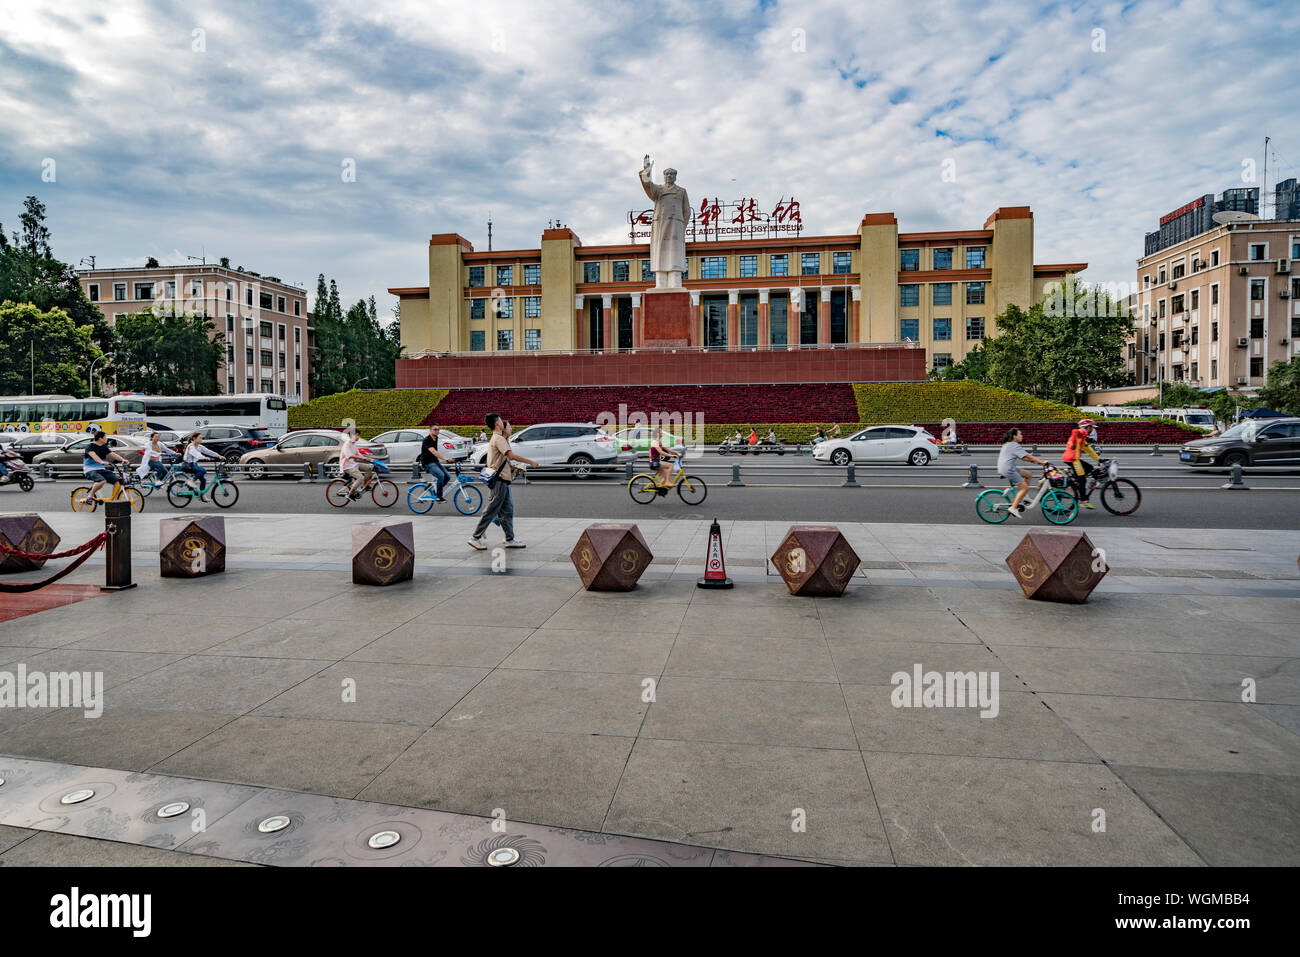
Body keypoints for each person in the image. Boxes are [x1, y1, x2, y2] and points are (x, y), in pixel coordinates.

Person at [469, 413, 538, 550]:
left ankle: (509, 539)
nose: (504, 423)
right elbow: (511, 456)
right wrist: (530, 462)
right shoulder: (499, 439)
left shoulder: (499, 439)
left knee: (507, 510)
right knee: (492, 510)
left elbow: (504, 460)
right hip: (499, 481)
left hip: (503, 481)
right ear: (497, 424)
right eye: (501, 420)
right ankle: (475, 537)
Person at [997, 428, 1050, 518]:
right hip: (1008, 469)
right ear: (1014, 436)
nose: (1022, 436)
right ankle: (1013, 508)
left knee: (1028, 474)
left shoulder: (1009, 444)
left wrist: (1035, 462)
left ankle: (1024, 497)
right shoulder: (1014, 445)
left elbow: (1023, 458)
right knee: (1024, 488)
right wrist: (1041, 462)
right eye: (1020, 434)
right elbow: (1028, 455)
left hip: (1008, 467)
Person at [1062, 418, 1102, 510]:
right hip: (1072, 459)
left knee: (1090, 467)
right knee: (1082, 479)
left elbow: (1088, 450)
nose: (1092, 430)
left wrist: (1099, 459)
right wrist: (1079, 433)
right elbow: (1075, 431)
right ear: (1086, 427)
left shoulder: (1082, 437)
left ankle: (1076, 481)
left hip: (1074, 458)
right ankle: (1084, 501)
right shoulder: (1080, 433)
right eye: (1091, 427)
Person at [83, 431, 130, 501]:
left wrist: (123, 459)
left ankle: (113, 500)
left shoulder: (104, 447)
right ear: (100, 438)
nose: (107, 439)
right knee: (102, 481)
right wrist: (101, 461)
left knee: (117, 482)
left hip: (101, 469)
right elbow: (94, 455)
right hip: (90, 470)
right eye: (105, 437)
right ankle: (90, 495)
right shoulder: (90, 446)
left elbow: (113, 454)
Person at [339, 427, 382, 499]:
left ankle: (365, 485)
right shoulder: (347, 445)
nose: (358, 437)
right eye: (357, 435)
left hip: (353, 464)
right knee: (360, 478)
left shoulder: (353, 444)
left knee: (369, 468)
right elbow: (349, 456)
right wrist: (363, 458)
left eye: (358, 435)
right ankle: (350, 493)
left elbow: (358, 455)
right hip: (347, 466)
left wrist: (368, 459)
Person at [419, 424, 453, 503]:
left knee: (447, 477)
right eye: (435, 429)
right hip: (427, 463)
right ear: (430, 430)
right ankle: (439, 497)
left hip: (435, 461)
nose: (437, 431)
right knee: (441, 475)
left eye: (438, 429)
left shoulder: (436, 438)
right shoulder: (427, 440)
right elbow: (434, 451)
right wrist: (445, 459)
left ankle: (433, 490)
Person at [648, 426, 680, 492]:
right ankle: (667, 482)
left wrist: (676, 452)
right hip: (654, 462)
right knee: (670, 465)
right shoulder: (654, 442)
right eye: (661, 432)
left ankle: (660, 489)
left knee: (665, 476)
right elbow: (661, 452)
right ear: (657, 434)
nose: (662, 433)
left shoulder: (658, 442)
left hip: (656, 461)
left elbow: (667, 448)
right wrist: (672, 456)